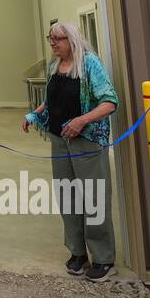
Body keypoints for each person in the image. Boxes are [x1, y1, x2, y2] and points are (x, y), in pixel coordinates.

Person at [24, 21, 119, 281]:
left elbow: (109, 102)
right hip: (60, 141)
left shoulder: (89, 64)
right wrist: (35, 114)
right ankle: (77, 253)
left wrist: (82, 120)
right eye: (51, 38)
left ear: (72, 39)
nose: (53, 43)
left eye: (58, 38)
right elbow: (51, 99)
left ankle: (103, 257)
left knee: (94, 199)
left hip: (86, 142)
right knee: (68, 198)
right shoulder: (56, 66)